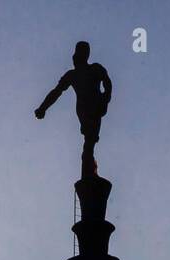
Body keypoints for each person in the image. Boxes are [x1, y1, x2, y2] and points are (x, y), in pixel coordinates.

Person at [34, 41, 112, 178]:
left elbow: (108, 83)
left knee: (90, 142)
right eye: (75, 53)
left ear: (84, 55)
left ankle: (89, 170)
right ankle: (88, 170)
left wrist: (105, 100)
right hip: (86, 109)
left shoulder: (94, 69)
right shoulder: (73, 75)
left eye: (78, 53)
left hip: (94, 107)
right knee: (89, 141)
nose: (74, 57)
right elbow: (56, 92)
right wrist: (43, 107)